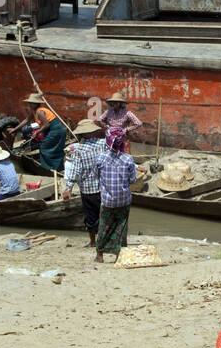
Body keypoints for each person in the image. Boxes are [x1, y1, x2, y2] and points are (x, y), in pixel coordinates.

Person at [94, 127, 137, 263]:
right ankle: (119, 254)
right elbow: (132, 180)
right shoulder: (128, 159)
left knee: (104, 226)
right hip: (123, 200)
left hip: (107, 201)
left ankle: (100, 255)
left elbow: (96, 175)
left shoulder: (101, 158)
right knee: (121, 227)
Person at [62, 119, 106, 248]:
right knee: (103, 214)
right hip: (104, 187)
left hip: (88, 190)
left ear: (81, 135)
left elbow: (75, 171)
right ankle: (105, 239)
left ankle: (93, 242)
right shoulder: (103, 144)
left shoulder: (79, 150)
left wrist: (68, 188)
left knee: (90, 216)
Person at [21, 93, 67, 172]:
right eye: (29, 103)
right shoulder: (34, 111)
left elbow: (46, 125)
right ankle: (57, 167)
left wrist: (37, 132)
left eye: (32, 103)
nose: (30, 105)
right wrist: (14, 129)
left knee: (44, 147)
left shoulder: (39, 111)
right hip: (56, 130)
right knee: (56, 149)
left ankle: (49, 168)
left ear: (36, 104)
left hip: (55, 130)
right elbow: (26, 120)